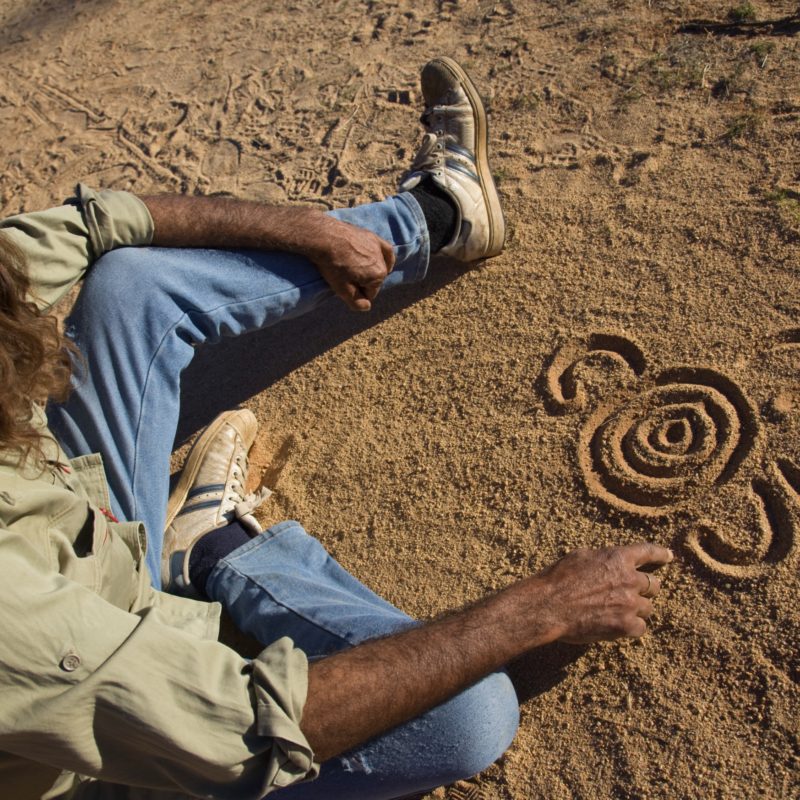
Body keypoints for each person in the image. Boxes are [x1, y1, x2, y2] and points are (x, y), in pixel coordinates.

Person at [0, 57, 672, 800]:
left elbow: (103, 222)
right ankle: (218, 552)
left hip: (83, 533)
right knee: (467, 715)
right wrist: (540, 607)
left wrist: (308, 229)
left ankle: (443, 212)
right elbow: (247, 728)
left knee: (132, 283)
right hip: (99, 747)